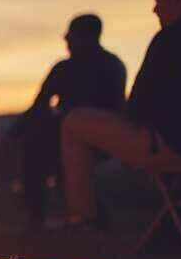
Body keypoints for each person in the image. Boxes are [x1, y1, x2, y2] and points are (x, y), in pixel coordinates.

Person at [61, 0, 181, 227]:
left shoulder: (170, 38)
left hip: (177, 145)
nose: (155, 8)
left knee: (74, 122)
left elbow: (139, 106)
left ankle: (82, 218)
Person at [9, 15, 126, 227]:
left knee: (35, 157)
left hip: (85, 139)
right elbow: (40, 106)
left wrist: (12, 136)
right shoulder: (114, 65)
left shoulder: (69, 68)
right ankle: (87, 218)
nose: (67, 40)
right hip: (100, 138)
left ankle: (38, 221)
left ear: (87, 36)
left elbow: (39, 106)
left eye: (70, 35)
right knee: (43, 152)